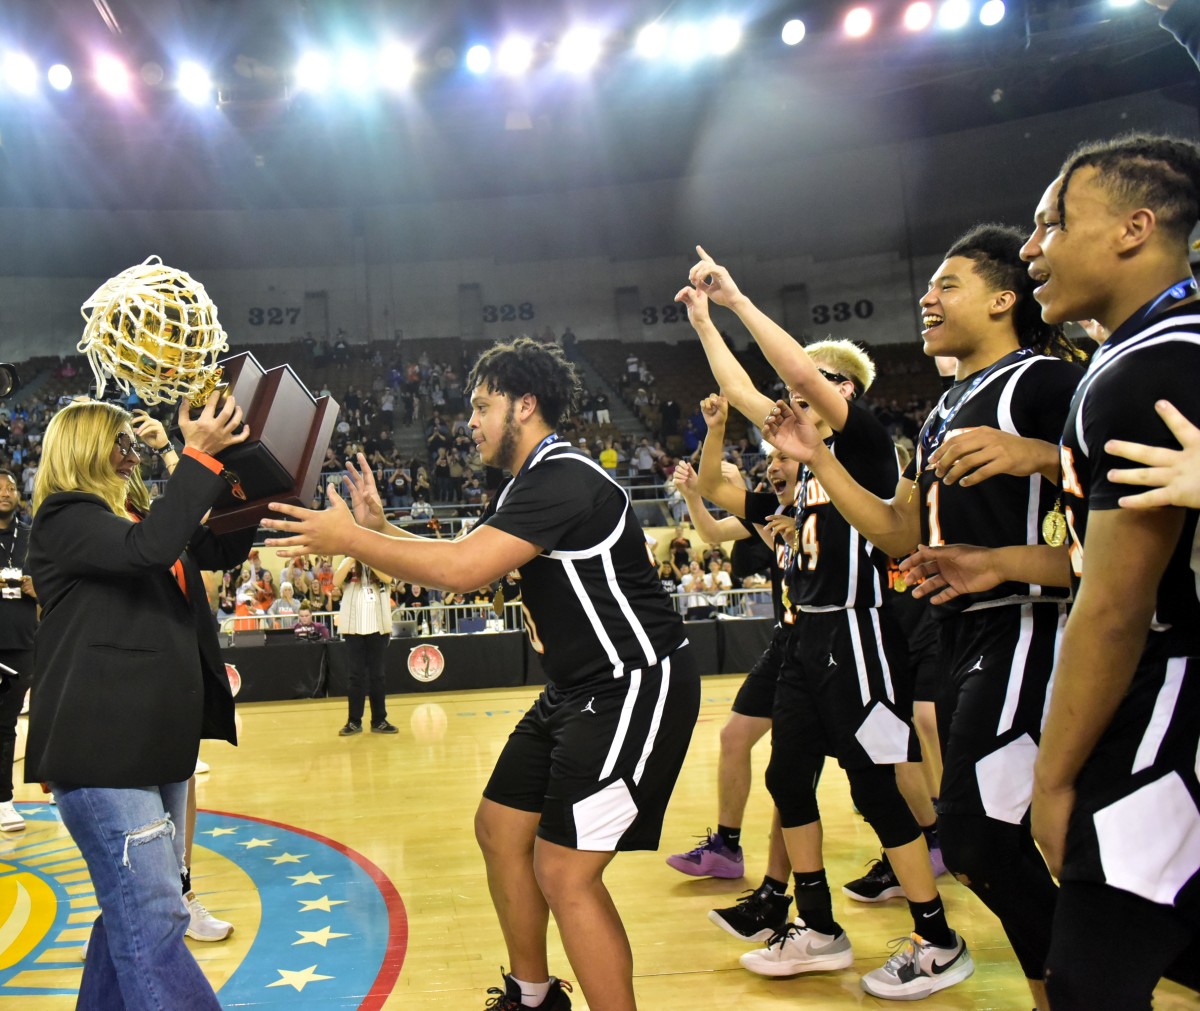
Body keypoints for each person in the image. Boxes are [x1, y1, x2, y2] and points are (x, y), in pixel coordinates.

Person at [264, 337, 699, 1011]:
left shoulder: (563, 474)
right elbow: (470, 560)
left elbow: (463, 570)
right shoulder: (529, 483)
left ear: (525, 405)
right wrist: (383, 530)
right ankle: (533, 996)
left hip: (632, 686)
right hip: (578, 690)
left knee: (565, 871)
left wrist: (352, 538)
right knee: (499, 827)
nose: (468, 421)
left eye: (481, 406)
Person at [905, 132, 1200, 1009]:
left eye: (1054, 224)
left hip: (1154, 685)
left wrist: (1055, 776)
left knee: (1090, 967)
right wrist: (996, 557)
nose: (1032, 247)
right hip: (1111, 664)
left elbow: (1113, 604)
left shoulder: (1132, 367)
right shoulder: (1141, 352)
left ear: (1133, 229)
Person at [759, 227, 1082, 1010]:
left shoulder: (1044, 382)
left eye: (948, 284)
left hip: (1029, 621)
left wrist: (1039, 461)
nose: (926, 298)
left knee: (986, 837)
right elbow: (901, 532)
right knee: (995, 839)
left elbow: (1126, 487)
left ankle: (1083, 973)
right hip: (967, 630)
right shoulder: (942, 409)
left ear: (1003, 298)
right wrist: (820, 458)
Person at [677, 265, 970, 1001]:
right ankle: (816, 927)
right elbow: (744, 394)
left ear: (847, 392)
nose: (794, 392)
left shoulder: (865, 446)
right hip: (806, 638)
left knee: (875, 788)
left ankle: (937, 936)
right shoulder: (799, 461)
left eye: (812, 384)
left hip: (858, 634)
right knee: (786, 777)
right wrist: (706, 324)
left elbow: (796, 373)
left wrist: (739, 300)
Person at [25, 393, 249, 1009]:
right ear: (86, 450)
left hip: (150, 741)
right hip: (103, 747)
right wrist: (196, 457)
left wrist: (245, 474)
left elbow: (223, 549)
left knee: (131, 910)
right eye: (121, 444)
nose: (133, 455)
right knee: (154, 914)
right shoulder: (65, 517)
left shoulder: (137, 516)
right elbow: (148, 549)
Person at [0, 469, 35, 833]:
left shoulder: (32, 536)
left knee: (6, 723)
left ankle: (3, 800)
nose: (4, 492)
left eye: (10, 487)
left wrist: (39, 588)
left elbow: (57, 580)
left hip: (24, 642)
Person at [333, 556, 397, 736]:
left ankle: (379, 720)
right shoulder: (348, 561)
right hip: (354, 629)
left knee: (378, 676)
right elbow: (336, 581)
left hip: (378, 628)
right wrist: (352, 557)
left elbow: (388, 578)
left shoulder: (380, 559)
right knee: (355, 676)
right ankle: (354, 721)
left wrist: (369, 557)